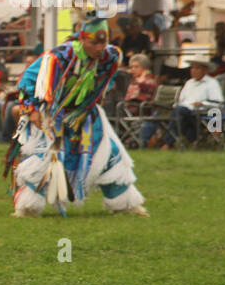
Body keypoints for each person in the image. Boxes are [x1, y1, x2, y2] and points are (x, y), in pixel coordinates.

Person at [8, 17, 146, 217]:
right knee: (45, 158)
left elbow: (105, 82)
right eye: (94, 43)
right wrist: (32, 109)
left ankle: (126, 205)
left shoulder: (111, 56)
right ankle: (28, 207)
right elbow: (29, 78)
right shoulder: (59, 56)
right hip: (54, 116)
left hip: (87, 116)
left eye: (103, 42)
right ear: (81, 39)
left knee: (108, 155)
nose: (100, 48)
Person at [147, 56, 224, 149]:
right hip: (183, 111)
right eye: (192, 68)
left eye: (197, 68)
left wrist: (202, 103)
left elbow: (218, 103)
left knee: (179, 113)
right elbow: (180, 100)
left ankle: (167, 143)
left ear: (205, 70)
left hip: (199, 112)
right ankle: (144, 142)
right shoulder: (189, 83)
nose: (193, 70)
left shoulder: (212, 83)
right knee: (157, 114)